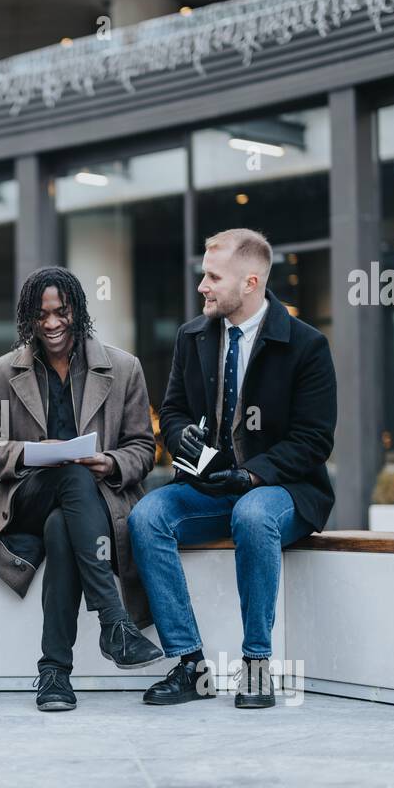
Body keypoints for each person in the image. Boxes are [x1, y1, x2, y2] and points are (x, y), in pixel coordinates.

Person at [129, 228, 337, 709]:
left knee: (252, 514)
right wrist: (182, 435)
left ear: (250, 282)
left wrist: (251, 475)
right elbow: (174, 410)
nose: (202, 286)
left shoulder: (307, 346)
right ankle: (188, 664)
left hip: (282, 491)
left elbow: (313, 440)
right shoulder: (192, 336)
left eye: (212, 277)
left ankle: (257, 666)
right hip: (207, 487)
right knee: (146, 516)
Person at [0, 266, 161, 713]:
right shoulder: (2, 373)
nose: (51, 323)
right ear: (27, 319)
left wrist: (111, 461)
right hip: (26, 501)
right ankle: (114, 623)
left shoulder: (124, 368)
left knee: (63, 524)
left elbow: (143, 449)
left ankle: (54, 673)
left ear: (77, 310)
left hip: (95, 503)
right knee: (68, 478)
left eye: (61, 312)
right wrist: (32, 452)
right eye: (41, 315)